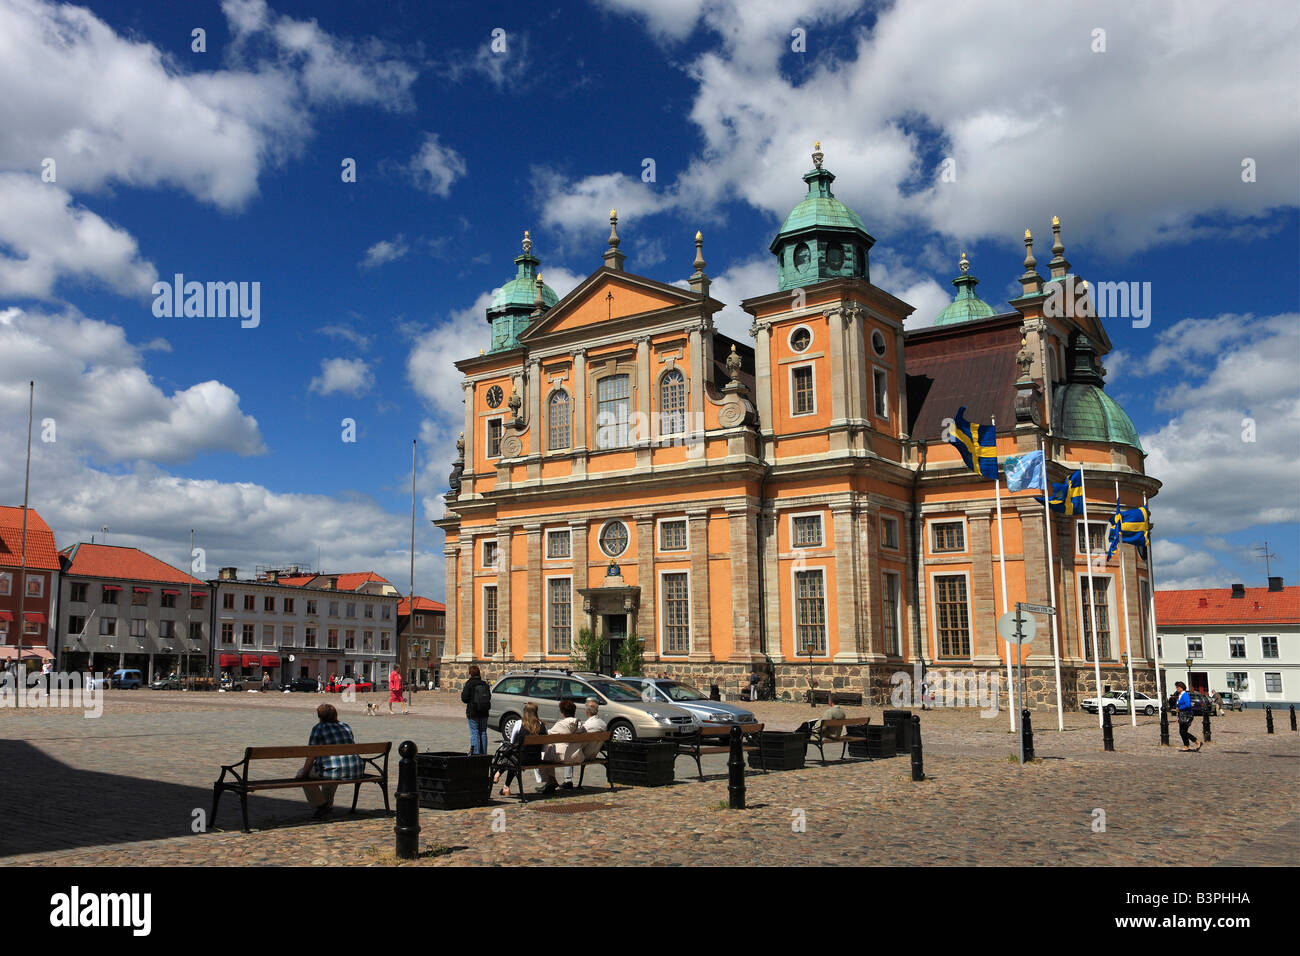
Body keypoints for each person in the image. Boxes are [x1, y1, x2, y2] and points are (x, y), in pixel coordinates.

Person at [295, 703, 361, 818]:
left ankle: (321, 805)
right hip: (354, 768)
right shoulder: (345, 726)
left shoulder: (318, 728)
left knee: (303, 774)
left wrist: (303, 775)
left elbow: (311, 754)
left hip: (334, 770)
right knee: (332, 768)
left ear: (320, 716)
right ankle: (327, 805)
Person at [493, 701, 546, 796]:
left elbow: (512, 742)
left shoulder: (519, 723)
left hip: (522, 759)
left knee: (509, 752)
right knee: (514, 758)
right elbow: (544, 745)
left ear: (525, 712)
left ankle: (498, 773)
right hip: (536, 759)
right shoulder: (541, 725)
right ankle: (505, 787)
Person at [537, 699, 584, 793]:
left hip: (564, 756)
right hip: (577, 755)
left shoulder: (562, 724)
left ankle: (550, 781)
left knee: (540, 757)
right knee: (549, 754)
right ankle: (551, 781)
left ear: (562, 712)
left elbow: (546, 735)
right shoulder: (579, 724)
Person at [561, 698, 607, 789]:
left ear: (586, 712)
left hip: (584, 755)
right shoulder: (603, 724)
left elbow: (574, 736)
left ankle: (567, 780)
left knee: (568, 749)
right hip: (594, 753)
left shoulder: (586, 726)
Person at [461, 665, 491, 754]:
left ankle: (476, 754)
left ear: (470, 674)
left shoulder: (469, 684)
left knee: (474, 732)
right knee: (483, 732)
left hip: (473, 712)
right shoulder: (484, 684)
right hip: (484, 712)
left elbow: (464, 698)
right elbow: (489, 697)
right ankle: (484, 753)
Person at [1174, 681, 1202, 752]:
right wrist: (1178, 717)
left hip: (1187, 715)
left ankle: (1196, 742)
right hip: (1182, 715)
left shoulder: (1185, 695)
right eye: (1176, 687)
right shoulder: (1180, 695)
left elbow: (1188, 704)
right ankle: (1186, 746)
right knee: (1182, 731)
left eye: (1178, 687)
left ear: (1182, 688)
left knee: (1183, 731)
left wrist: (1180, 708)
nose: (1177, 688)